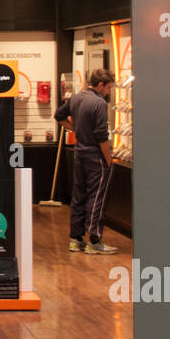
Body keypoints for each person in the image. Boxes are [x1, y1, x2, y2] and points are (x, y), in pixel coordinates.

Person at [55, 68, 118, 254]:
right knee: (96, 197)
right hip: (95, 156)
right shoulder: (99, 104)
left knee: (79, 196)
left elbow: (59, 116)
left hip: (79, 153)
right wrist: (108, 159)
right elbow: (101, 136)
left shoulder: (75, 98)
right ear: (100, 85)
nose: (108, 92)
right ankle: (94, 241)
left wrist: (76, 129)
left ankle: (75, 239)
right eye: (108, 88)